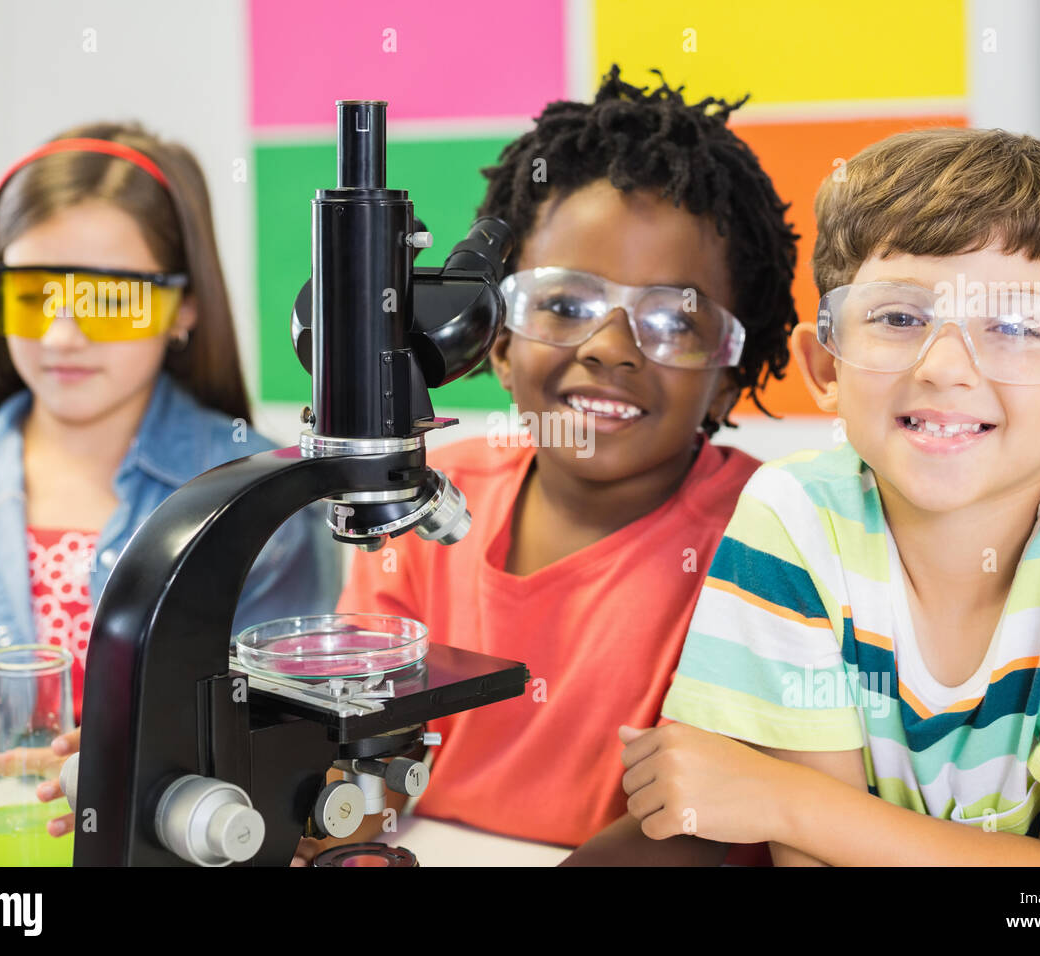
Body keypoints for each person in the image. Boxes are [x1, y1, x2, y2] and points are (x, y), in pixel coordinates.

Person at [623, 127, 1040, 866]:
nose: (946, 367)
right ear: (825, 367)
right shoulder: (794, 517)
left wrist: (783, 800)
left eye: (1016, 326)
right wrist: (811, 821)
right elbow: (812, 860)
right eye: (899, 318)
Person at [291, 64, 799, 864]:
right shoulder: (416, 496)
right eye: (565, 306)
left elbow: (702, 816)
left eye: (674, 321)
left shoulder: (771, 534)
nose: (610, 348)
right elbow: (360, 768)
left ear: (730, 372)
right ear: (491, 335)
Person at [0, 124, 343, 837]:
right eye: (33, 295)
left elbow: (296, 750)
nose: (63, 336)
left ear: (185, 306)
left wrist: (136, 770)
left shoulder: (263, 504)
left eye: (108, 298)